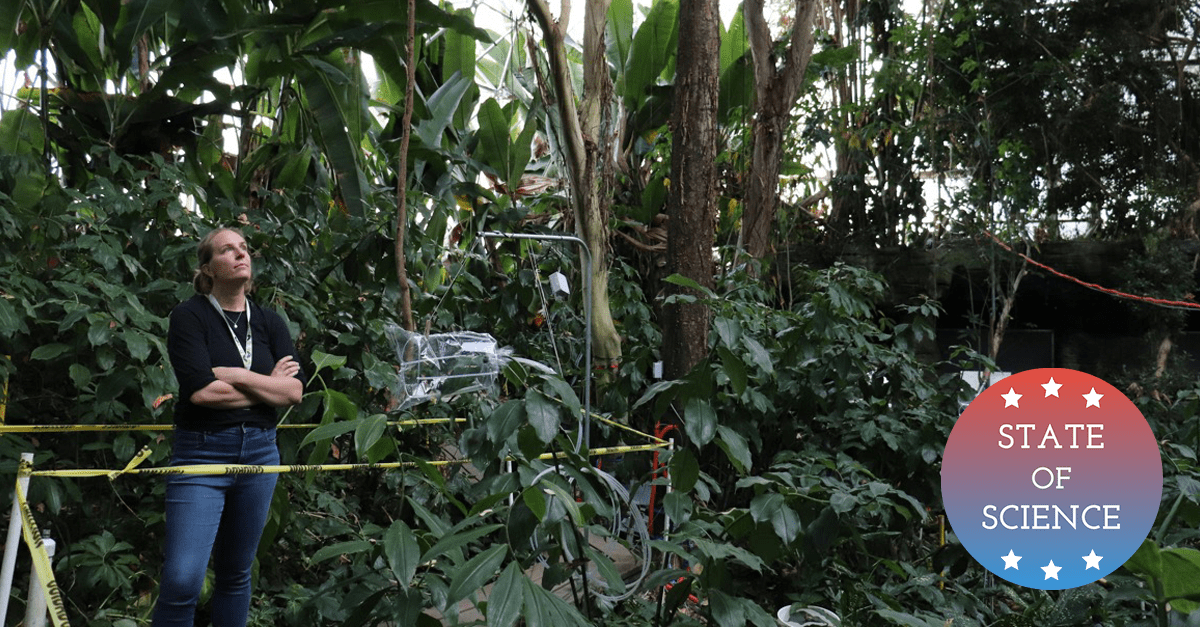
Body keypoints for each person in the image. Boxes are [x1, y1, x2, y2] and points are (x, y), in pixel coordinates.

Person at [153, 227, 305, 627]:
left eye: (243, 248)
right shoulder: (189, 317)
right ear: (208, 268)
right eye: (227, 250)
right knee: (183, 578)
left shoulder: (270, 321)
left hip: (260, 452)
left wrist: (236, 374)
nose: (240, 254)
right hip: (202, 452)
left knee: (236, 573)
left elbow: (293, 393)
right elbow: (202, 393)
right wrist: (267, 383)